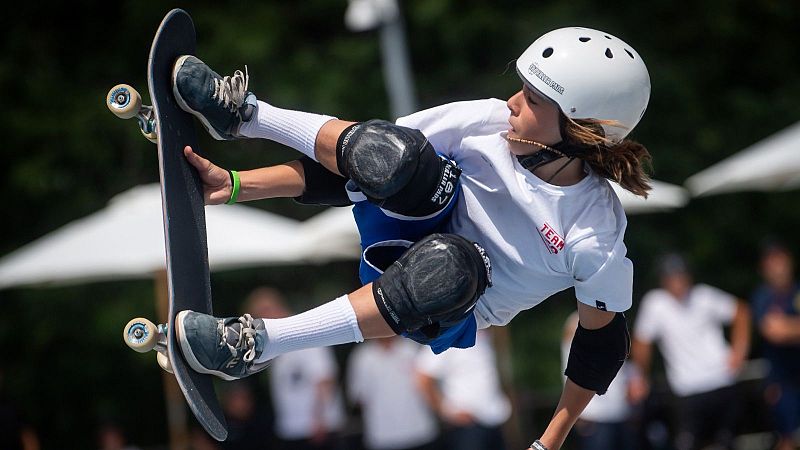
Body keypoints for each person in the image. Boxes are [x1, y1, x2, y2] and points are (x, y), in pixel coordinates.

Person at [170, 26, 652, 450]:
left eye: (533, 101)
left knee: (453, 265)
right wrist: (235, 185)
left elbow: (600, 347)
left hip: (448, 303)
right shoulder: (483, 123)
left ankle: (256, 344)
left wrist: (548, 443)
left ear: (581, 132)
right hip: (404, 225)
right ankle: (243, 115)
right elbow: (357, 168)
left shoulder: (593, 233)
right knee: (391, 150)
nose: (512, 103)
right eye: (520, 89)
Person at [630, 253, 751, 450]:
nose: (677, 282)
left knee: (726, 442)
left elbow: (741, 311)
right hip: (687, 389)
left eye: (681, 275)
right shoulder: (656, 304)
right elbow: (642, 342)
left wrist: (739, 351)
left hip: (721, 380)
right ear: (663, 280)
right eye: (672, 277)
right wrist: (640, 376)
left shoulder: (703, 296)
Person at [245, 288, 346, 450]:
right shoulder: (274, 343)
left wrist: (320, 419)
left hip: (314, 428)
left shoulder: (303, 332)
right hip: (292, 427)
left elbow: (324, 379)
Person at [415, 329, 511, 450]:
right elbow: (423, 377)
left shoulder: (484, 335)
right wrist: (445, 411)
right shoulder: (449, 336)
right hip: (468, 424)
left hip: (493, 419)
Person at [347, 337, 439, 450]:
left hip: (420, 431)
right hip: (383, 437)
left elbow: (428, 385)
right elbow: (359, 398)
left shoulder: (412, 348)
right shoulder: (362, 356)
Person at [561, 312, 635, 450]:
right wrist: (576, 413)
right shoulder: (575, 321)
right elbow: (571, 368)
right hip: (594, 414)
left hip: (619, 409)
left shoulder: (616, 314)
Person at [751, 242, 800, 450]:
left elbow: (782, 329)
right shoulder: (763, 297)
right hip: (783, 383)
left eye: (781, 260)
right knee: (788, 440)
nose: (778, 266)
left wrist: (788, 327)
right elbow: (774, 332)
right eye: (772, 262)